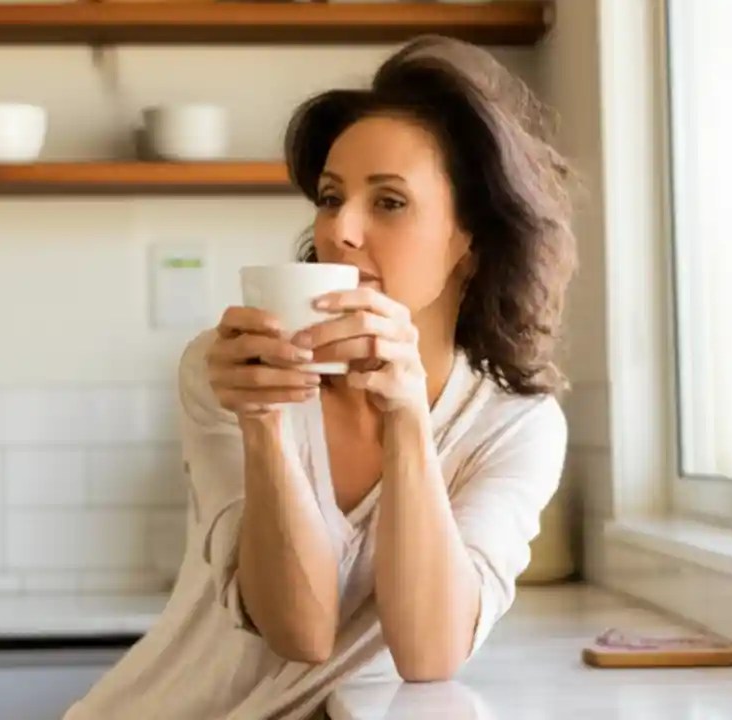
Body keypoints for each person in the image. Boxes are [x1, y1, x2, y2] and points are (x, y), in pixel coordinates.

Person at [64, 34, 576, 720]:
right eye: (331, 198)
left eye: (389, 202)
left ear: (473, 240)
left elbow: (430, 650)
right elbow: (298, 629)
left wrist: (406, 420)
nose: (341, 230)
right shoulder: (227, 373)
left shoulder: (514, 425)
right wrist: (267, 426)